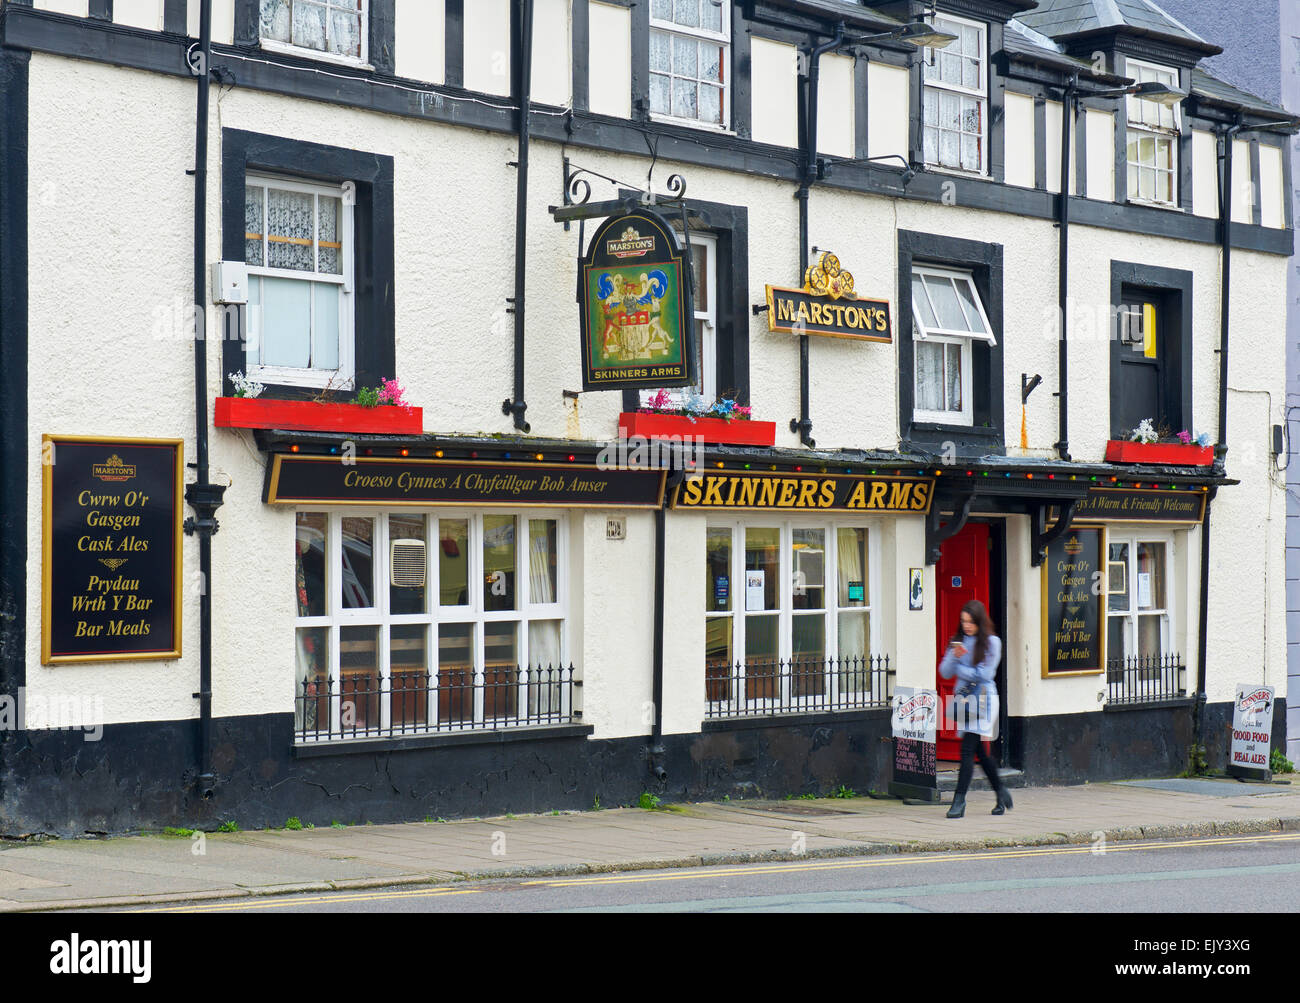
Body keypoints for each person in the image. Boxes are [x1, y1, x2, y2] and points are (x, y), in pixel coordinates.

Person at [938, 600, 1012, 818]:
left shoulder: (992, 642)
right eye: (963, 622)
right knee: (979, 750)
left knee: (967, 750)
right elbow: (944, 671)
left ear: (980, 621)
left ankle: (958, 802)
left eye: (970, 622)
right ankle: (1001, 791)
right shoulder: (958, 642)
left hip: (983, 700)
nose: (966, 626)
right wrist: (954, 656)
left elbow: (985, 675)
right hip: (964, 700)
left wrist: (961, 665)